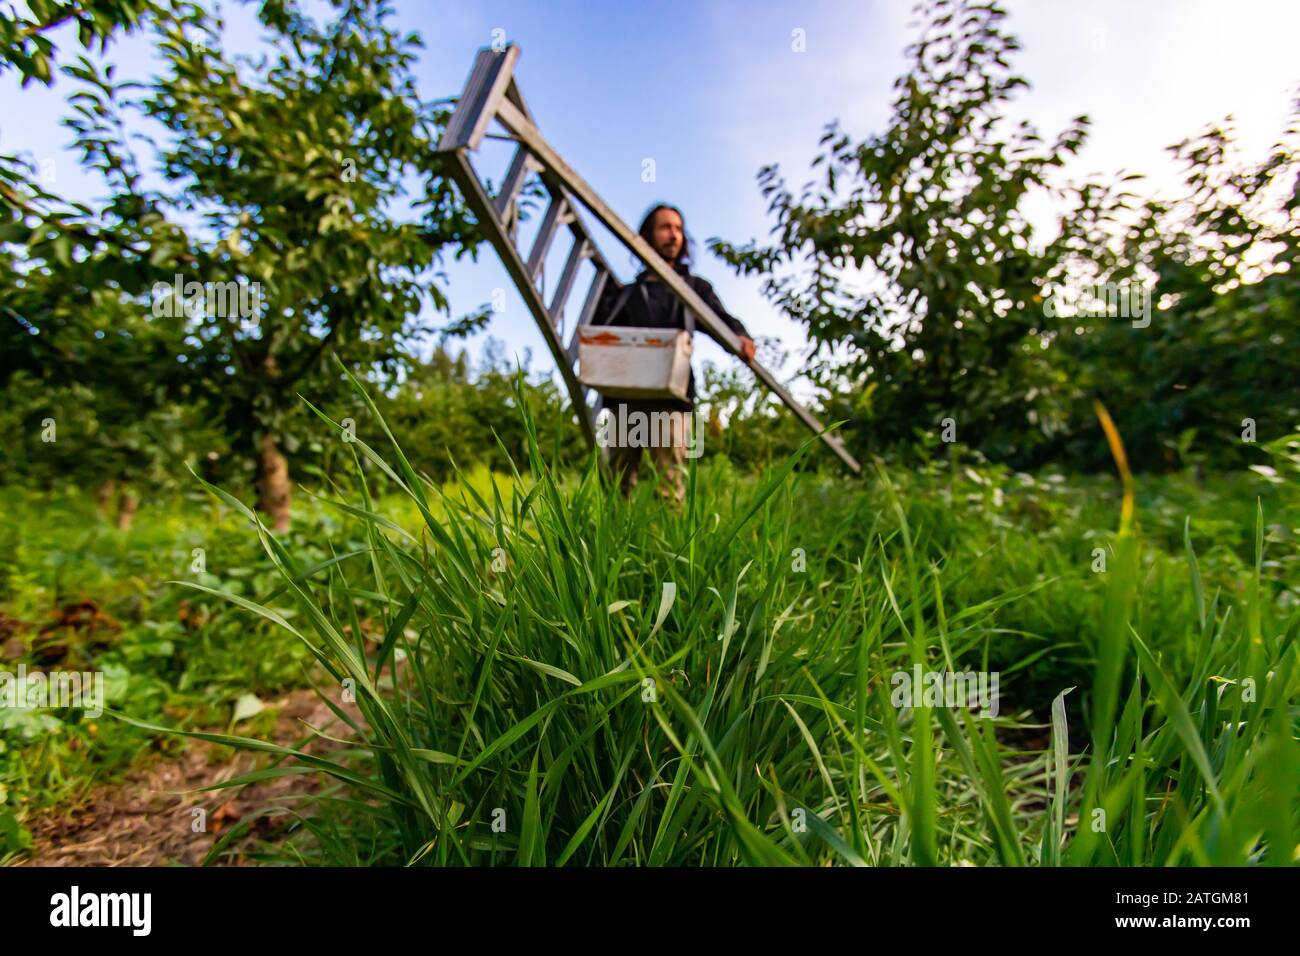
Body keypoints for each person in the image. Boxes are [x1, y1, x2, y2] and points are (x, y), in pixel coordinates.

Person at [589, 203, 756, 502]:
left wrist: (741, 336)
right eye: (665, 227)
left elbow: (722, 320)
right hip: (624, 401)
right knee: (616, 486)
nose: (674, 235)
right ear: (647, 236)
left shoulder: (694, 289)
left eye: (678, 229)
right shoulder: (624, 294)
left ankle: (670, 548)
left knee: (670, 486)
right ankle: (614, 545)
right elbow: (601, 338)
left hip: (672, 400)